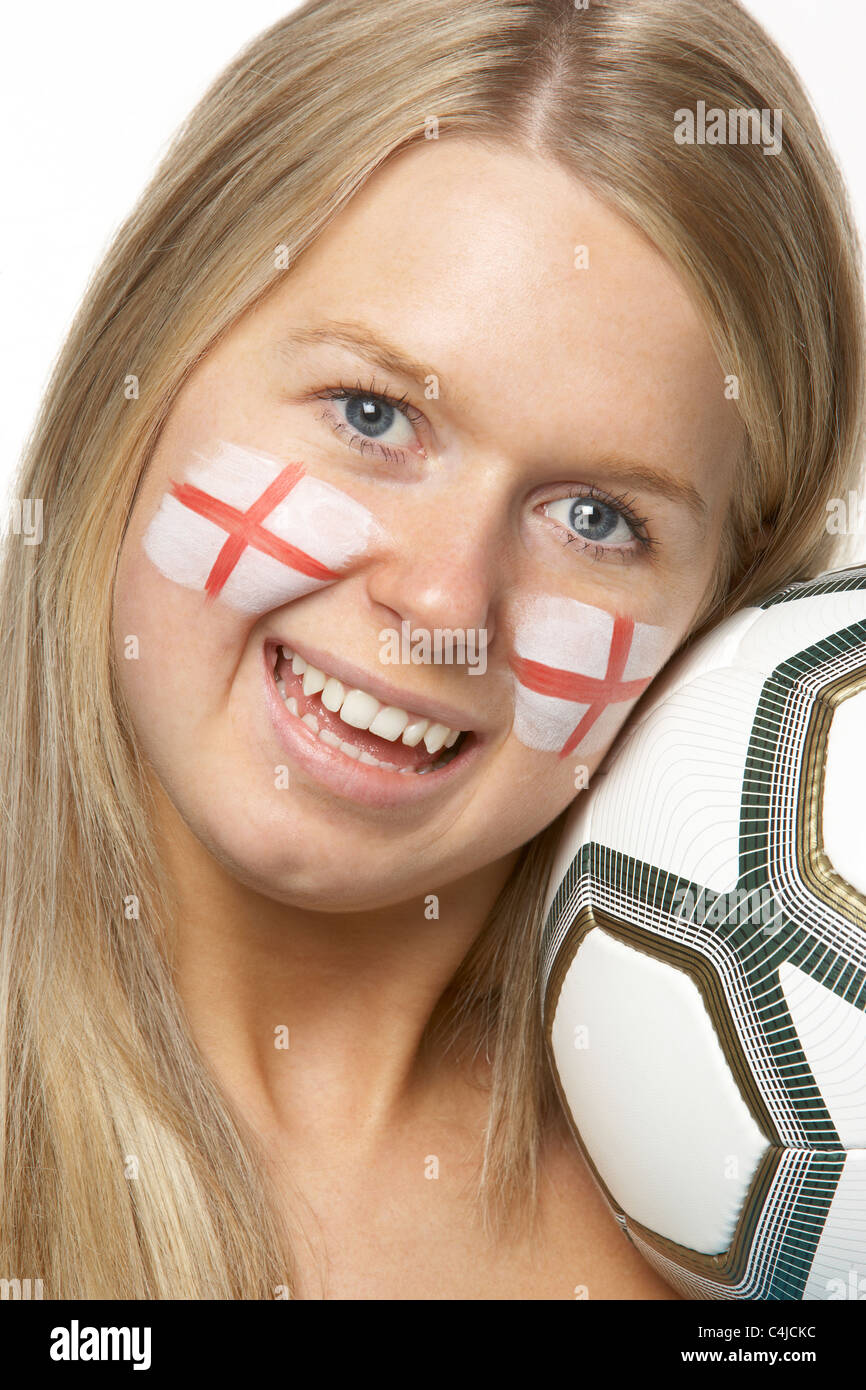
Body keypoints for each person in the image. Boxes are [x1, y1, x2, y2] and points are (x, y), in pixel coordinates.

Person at [1, 0, 862, 1299]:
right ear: (148, 359)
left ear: (718, 610)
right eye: (373, 413)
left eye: (596, 518)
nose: (446, 599)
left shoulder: (767, 1221)